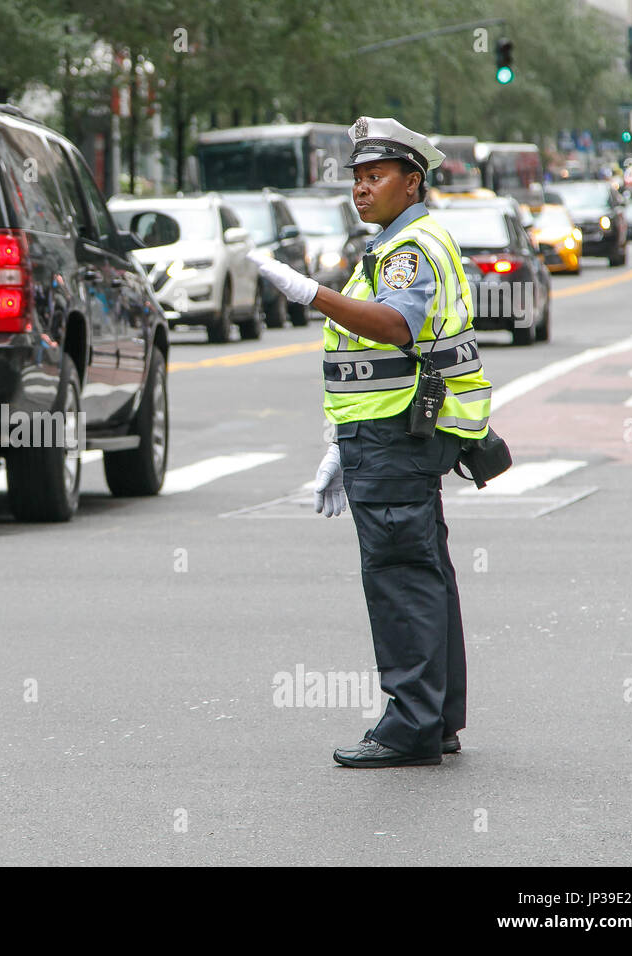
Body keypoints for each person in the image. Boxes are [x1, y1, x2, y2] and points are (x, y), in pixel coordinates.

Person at [251, 117, 492, 769]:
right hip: (389, 431)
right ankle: (436, 716)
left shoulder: (407, 248)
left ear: (412, 183)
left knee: (400, 577)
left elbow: (394, 326)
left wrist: (313, 295)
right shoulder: (396, 243)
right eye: (356, 178)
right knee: (426, 573)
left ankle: (411, 724)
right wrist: (339, 437)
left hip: (394, 438)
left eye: (376, 176)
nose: (361, 189)